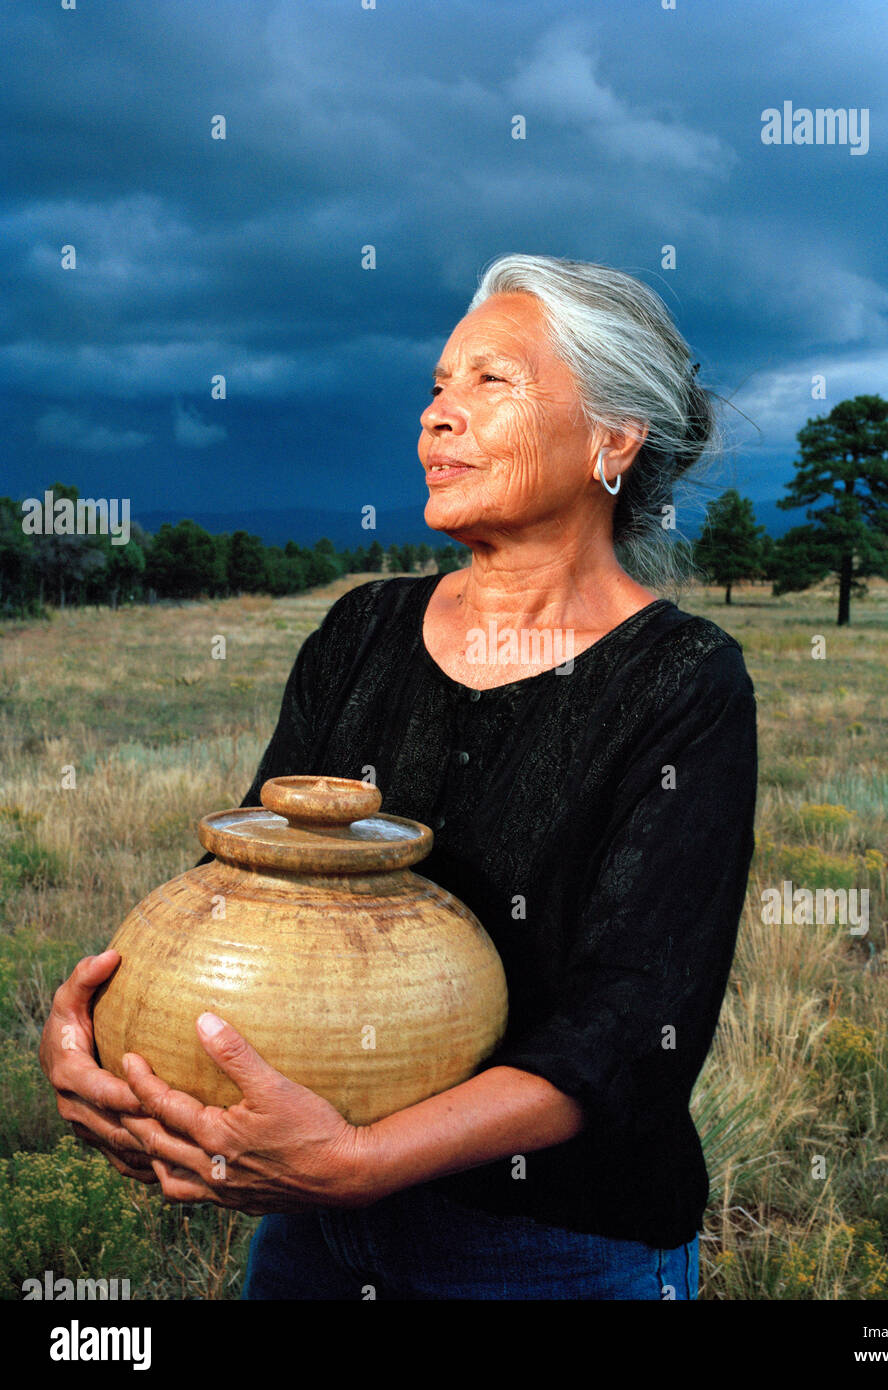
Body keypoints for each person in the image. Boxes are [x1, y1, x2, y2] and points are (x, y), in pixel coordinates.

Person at [39, 253, 757, 1300]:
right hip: (313, 1247)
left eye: (489, 382)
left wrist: (364, 1162)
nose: (436, 417)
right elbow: (242, 886)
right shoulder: (360, 631)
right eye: (435, 386)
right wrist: (101, 1038)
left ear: (612, 438)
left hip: (558, 1250)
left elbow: (634, 1031)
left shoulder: (683, 682)